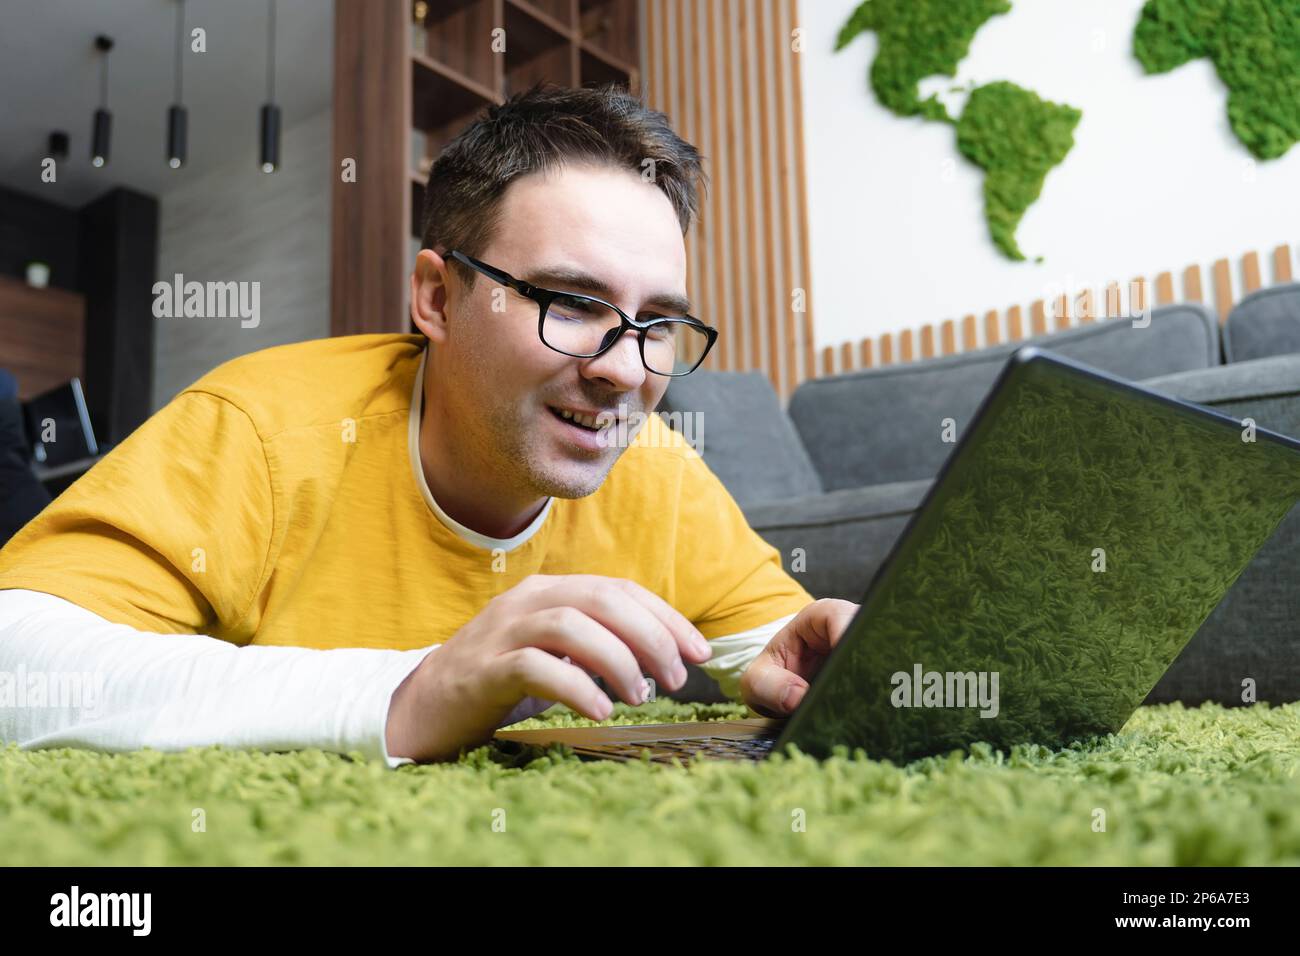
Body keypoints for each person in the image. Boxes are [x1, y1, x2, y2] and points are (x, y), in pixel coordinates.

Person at [0, 83, 857, 766]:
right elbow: (20, 660)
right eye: (569, 301)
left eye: (657, 323)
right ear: (438, 298)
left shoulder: (658, 473)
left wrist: (803, 653)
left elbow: (768, 640)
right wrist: (413, 690)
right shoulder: (262, 430)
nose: (625, 369)